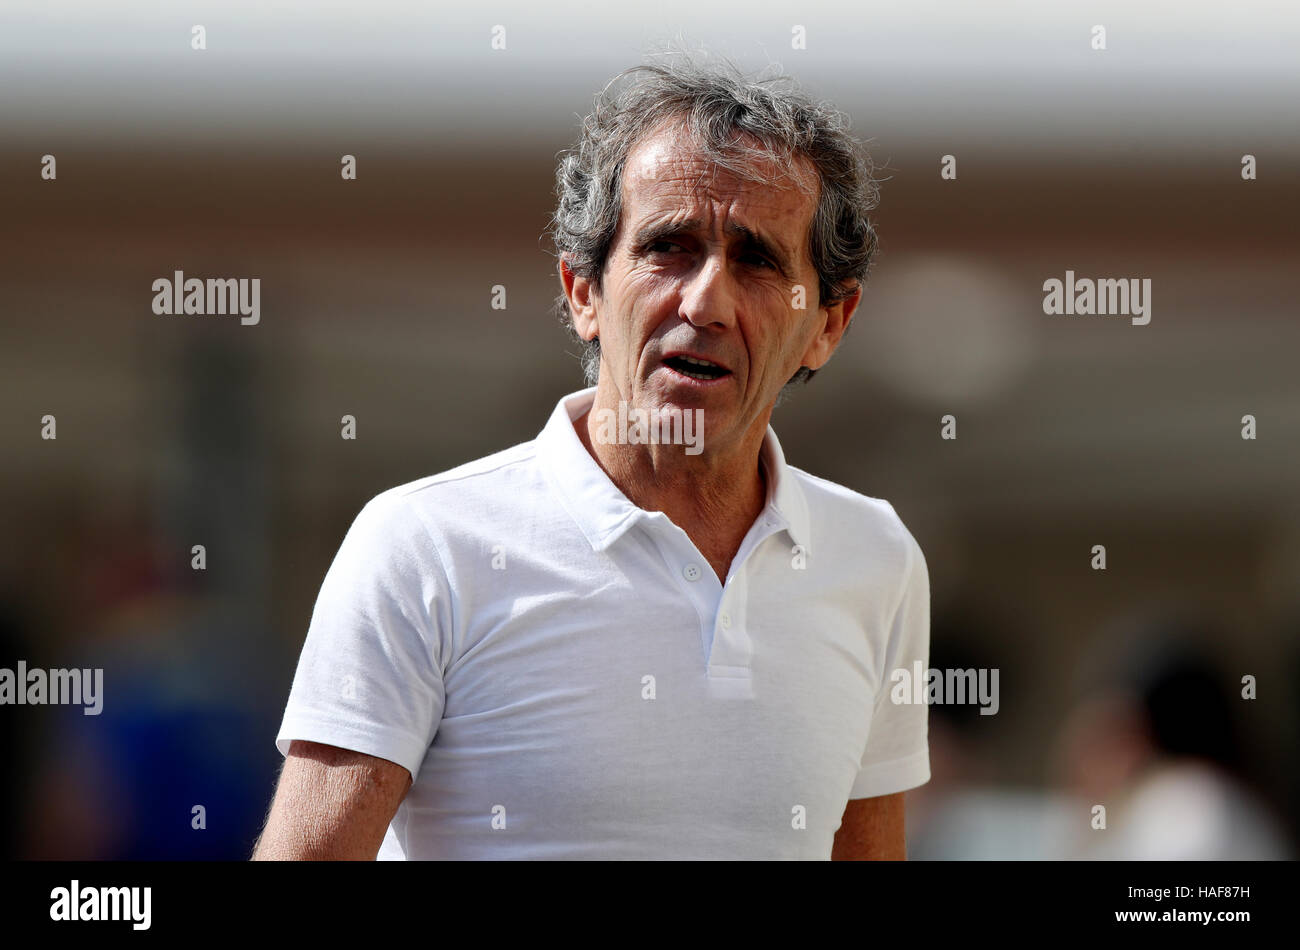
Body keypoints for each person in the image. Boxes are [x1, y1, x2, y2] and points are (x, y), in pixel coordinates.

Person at [253, 52, 931, 860]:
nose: (704, 300)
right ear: (583, 291)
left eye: (756, 259)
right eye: (669, 247)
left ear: (828, 322)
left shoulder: (875, 558)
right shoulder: (423, 545)